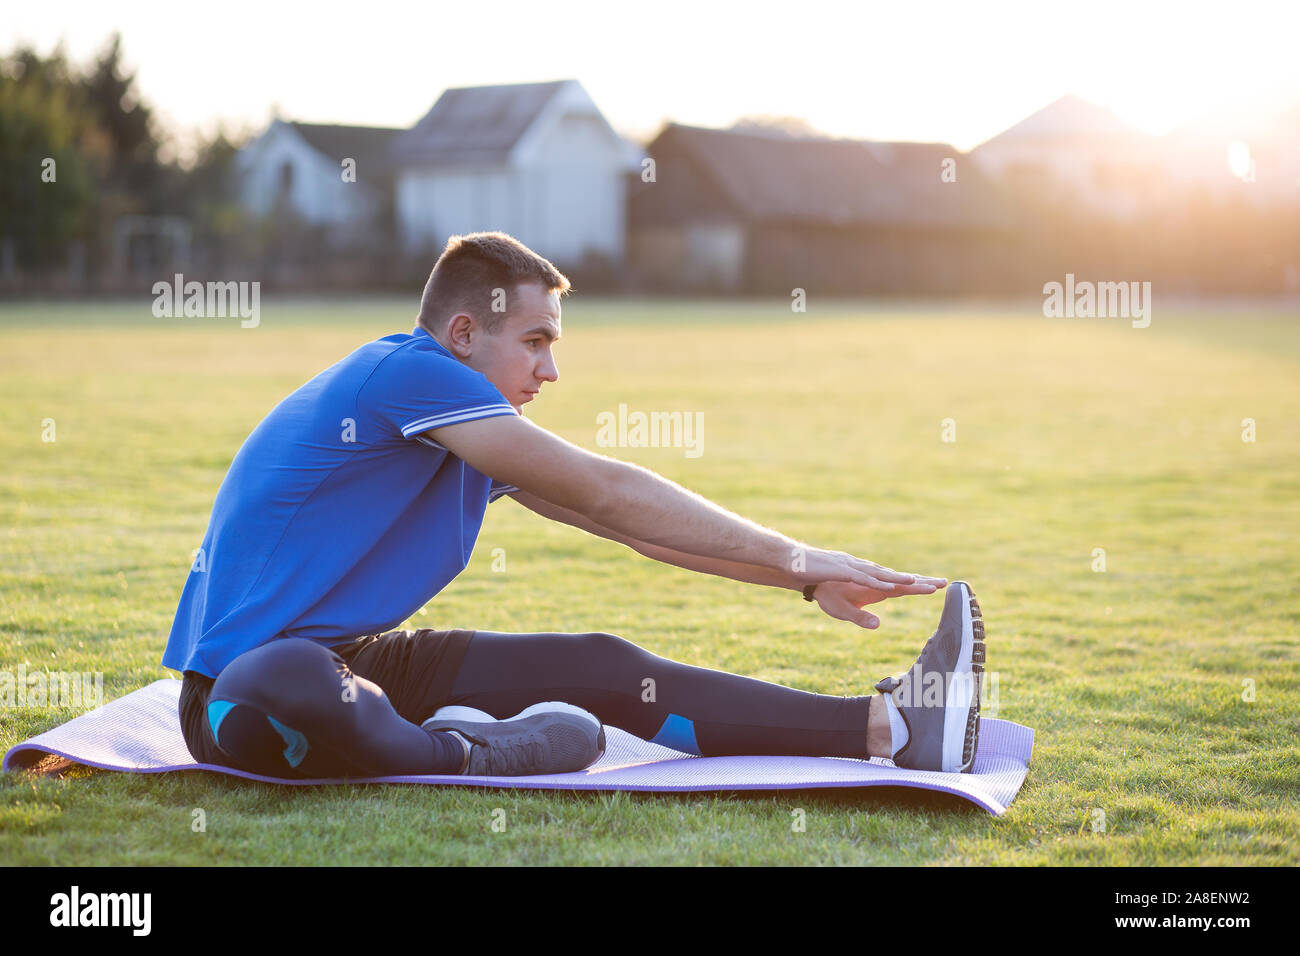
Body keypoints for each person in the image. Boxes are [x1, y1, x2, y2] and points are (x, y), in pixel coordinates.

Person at [162, 231, 985, 780]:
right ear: (460, 335)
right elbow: (607, 489)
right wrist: (799, 558)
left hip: (355, 659)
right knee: (290, 676)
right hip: (241, 695)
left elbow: (627, 526)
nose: (551, 370)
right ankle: (460, 753)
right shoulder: (408, 376)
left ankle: (893, 730)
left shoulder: (467, 434)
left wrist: (805, 579)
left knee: (599, 660)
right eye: (535, 340)